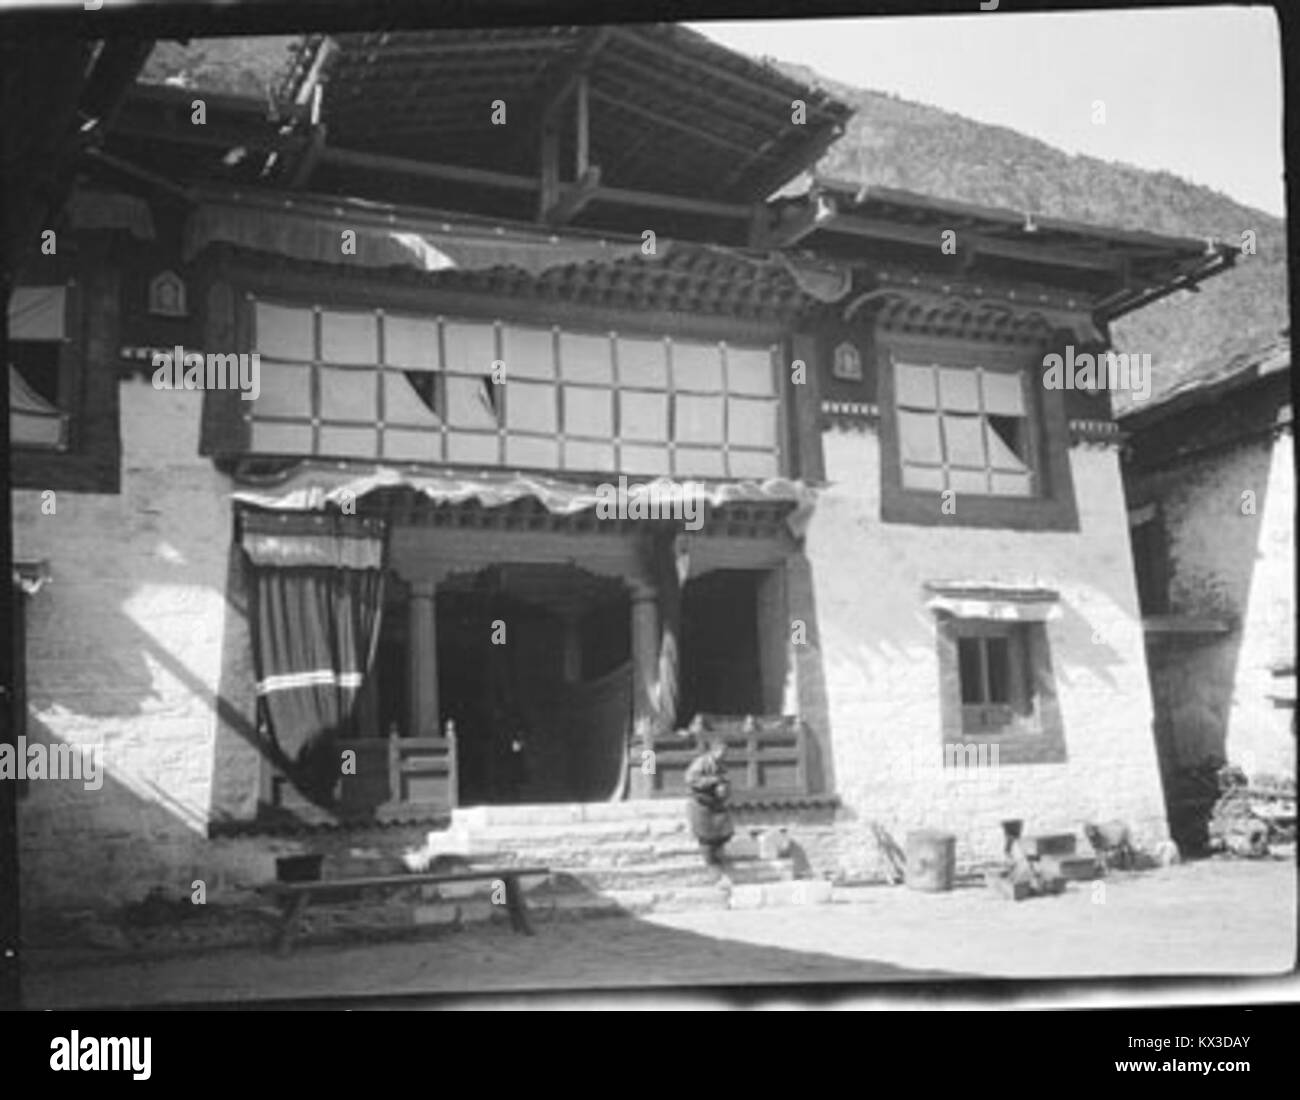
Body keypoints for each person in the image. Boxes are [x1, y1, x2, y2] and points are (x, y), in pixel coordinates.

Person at [684, 737, 733, 868]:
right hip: (701, 803)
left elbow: (725, 779)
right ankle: (709, 860)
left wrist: (724, 787)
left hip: (716, 803)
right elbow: (690, 779)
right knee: (705, 834)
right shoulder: (701, 762)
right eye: (722, 752)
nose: (725, 755)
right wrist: (713, 781)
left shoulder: (721, 764)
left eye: (726, 752)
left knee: (721, 831)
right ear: (714, 751)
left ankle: (719, 856)